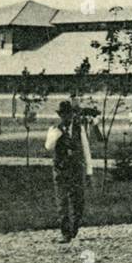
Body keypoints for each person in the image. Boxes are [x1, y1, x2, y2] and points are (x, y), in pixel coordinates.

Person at [45, 101, 91, 243]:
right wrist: (57, 134)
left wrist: (89, 171)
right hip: (61, 169)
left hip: (76, 168)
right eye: (64, 114)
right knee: (62, 201)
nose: (67, 117)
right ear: (60, 115)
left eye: (70, 114)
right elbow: (48, 147)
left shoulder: (79, 128)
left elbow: (86, 149)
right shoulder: (54, 129)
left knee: (78, 201)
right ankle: (65, 232)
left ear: (72, 114)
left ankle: (74, 227)